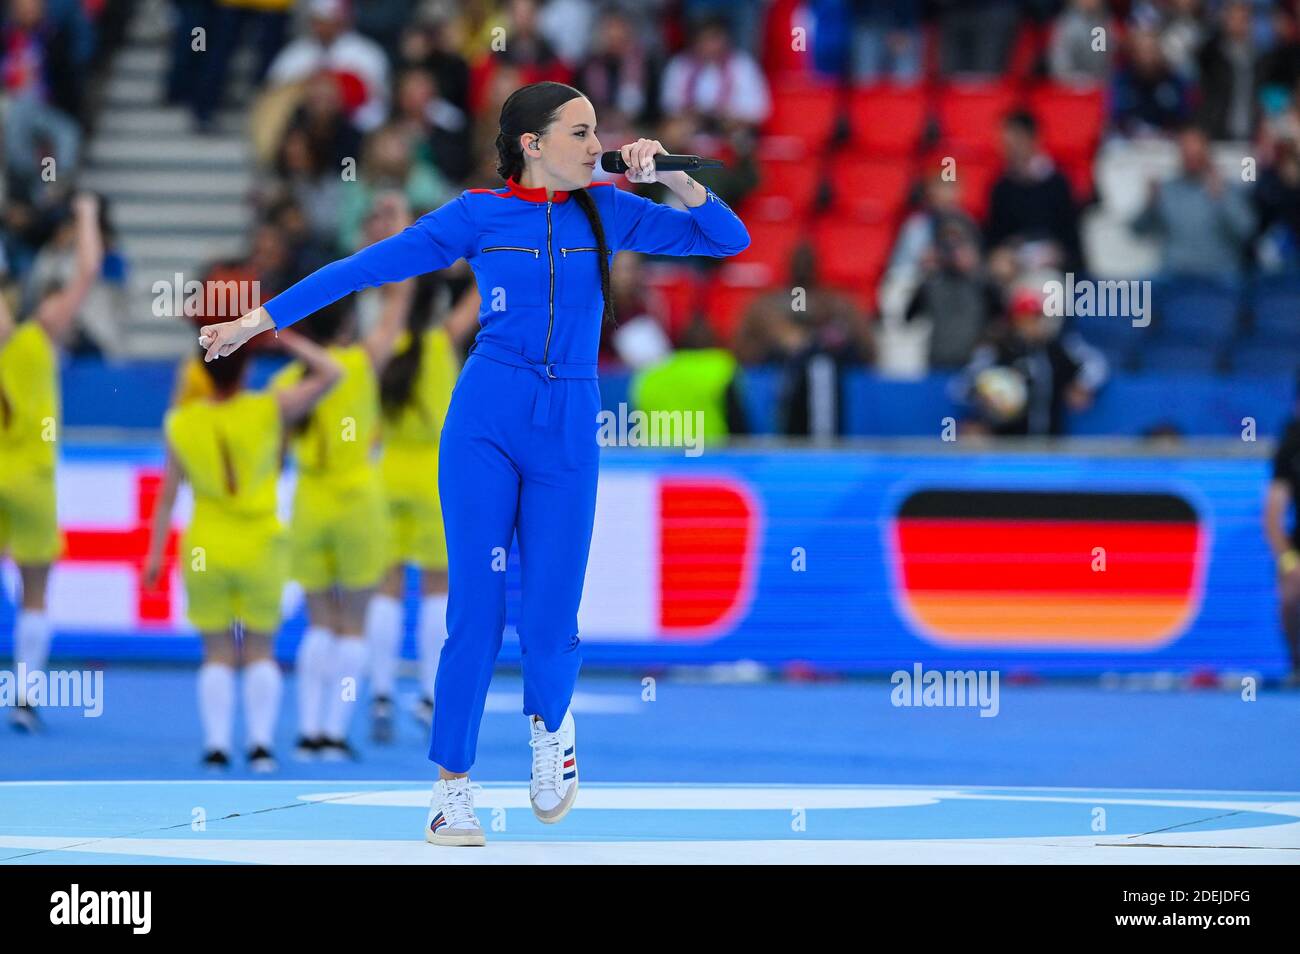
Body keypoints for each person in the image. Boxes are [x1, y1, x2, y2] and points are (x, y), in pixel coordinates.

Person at [195, 81, 749, 846]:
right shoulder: (476, 217)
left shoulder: (612, 209)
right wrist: (259, 318)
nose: (599, 147)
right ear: (533, 145)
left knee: (552, 622)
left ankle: (550, 734)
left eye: (598, 135)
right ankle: (451, 789)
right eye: (582, 134)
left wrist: (676, 178)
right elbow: (368, 267)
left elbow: (729, 243)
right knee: (475, 616)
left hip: (567, 428)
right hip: (485, 419)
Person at [143, 331, 341, 769]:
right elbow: (333, 373)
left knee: (215, 650)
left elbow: (168, 496)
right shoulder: (269, 407)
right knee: (259, 649)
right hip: (261, 544)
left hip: (208, 545)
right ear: (246, 368)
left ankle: (216, 746)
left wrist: (155, 555)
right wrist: (283, 335)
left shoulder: (181, 422)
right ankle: (260, 746)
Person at [270, 273, 414, 762]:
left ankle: (308, 731)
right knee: (354, 624)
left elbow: (274, 455)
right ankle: (334, 733)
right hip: (357, 501)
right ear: (347, 324)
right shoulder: (357, 364)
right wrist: (397, 235)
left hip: (310, 501)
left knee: (319, 624)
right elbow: (397, 308)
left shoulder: (285, 383)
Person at [1, 192, 102, 732]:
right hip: (32, 478)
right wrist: (86, 213)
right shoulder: (37, 337)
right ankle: (24, 696)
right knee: (36, 588)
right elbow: (88, 269)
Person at [1263, 376, 1300, 687]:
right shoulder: (1290, 447)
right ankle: (1297, 665)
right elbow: (1273, 517)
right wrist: (1289, 561)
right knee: (1290, 594)